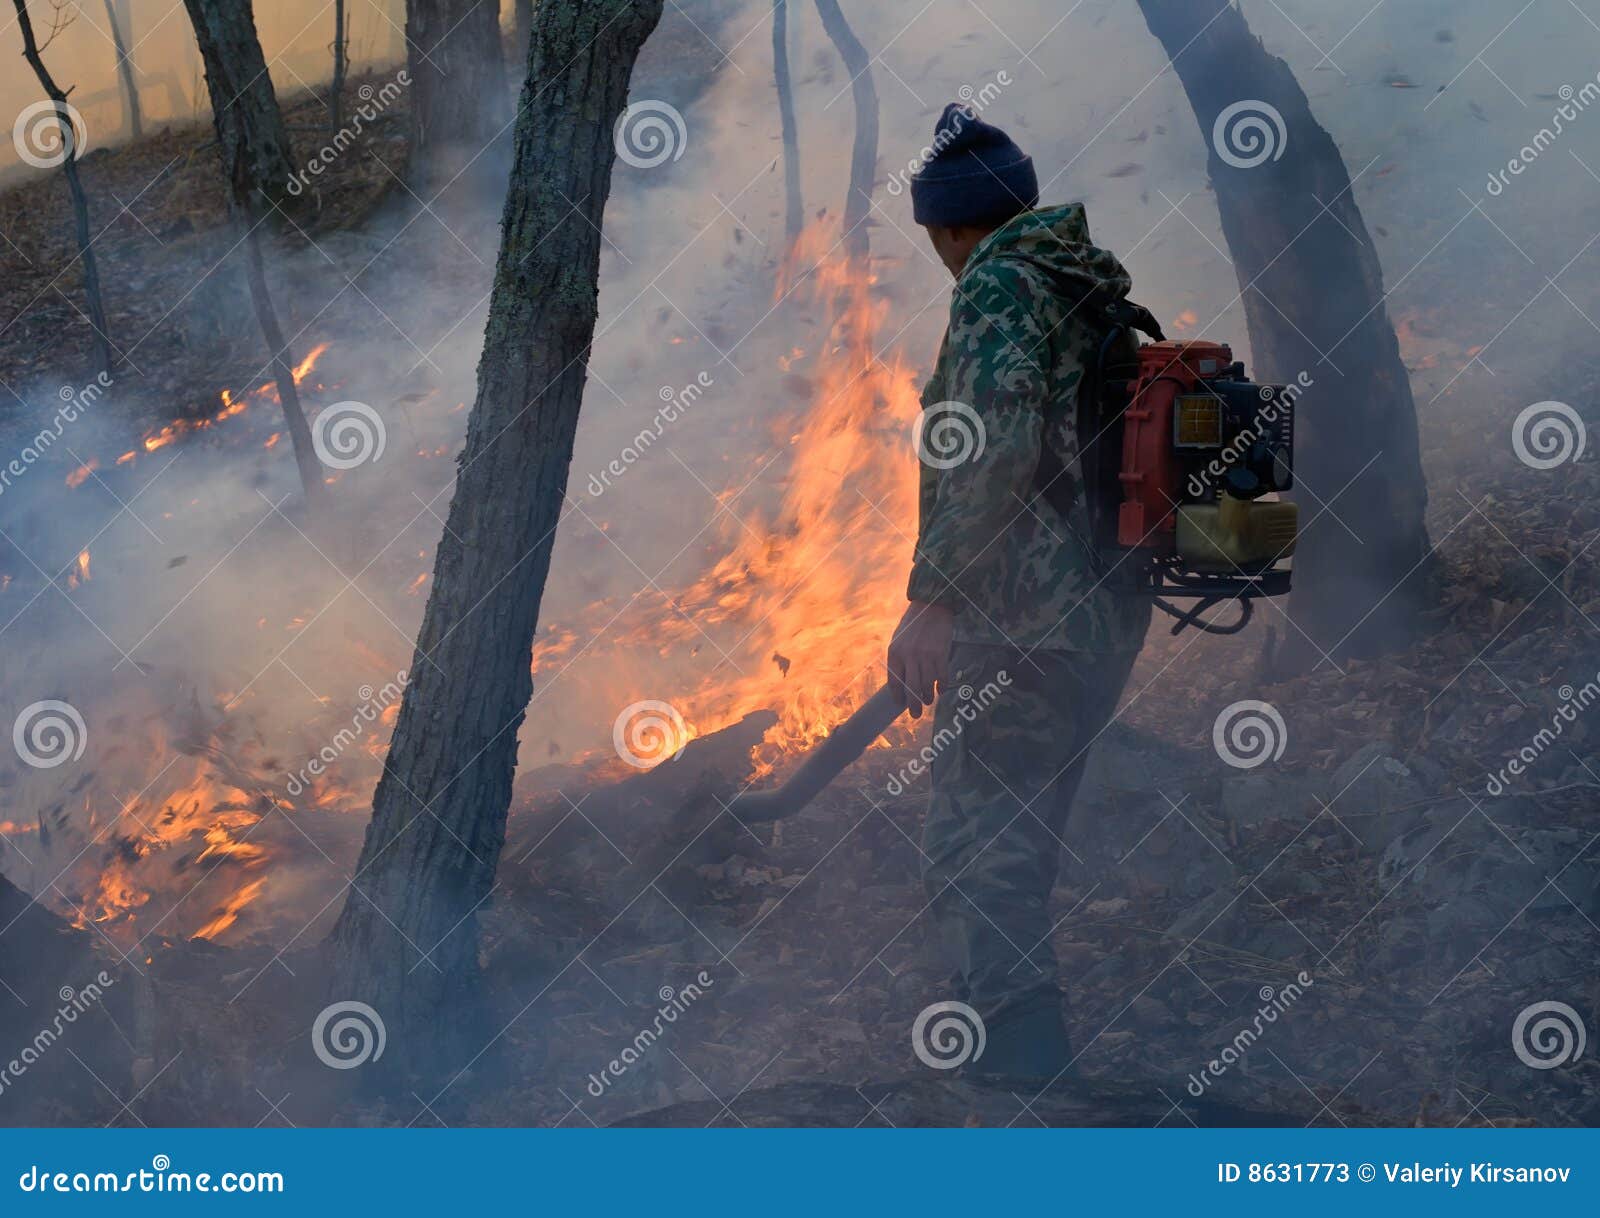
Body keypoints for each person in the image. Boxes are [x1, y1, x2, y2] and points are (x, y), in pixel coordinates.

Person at [887, 102, 1152, 1080]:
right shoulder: (1080, 283)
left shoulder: (998, 287)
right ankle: (1025, 1079)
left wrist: (936, 597)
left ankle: (1021, 1090)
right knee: (1015, 852)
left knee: (977, 855)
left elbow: (992, 448)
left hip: (1021, 620)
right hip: (1103, 614)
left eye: (932, 234)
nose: (936, 255)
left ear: (954, 224)